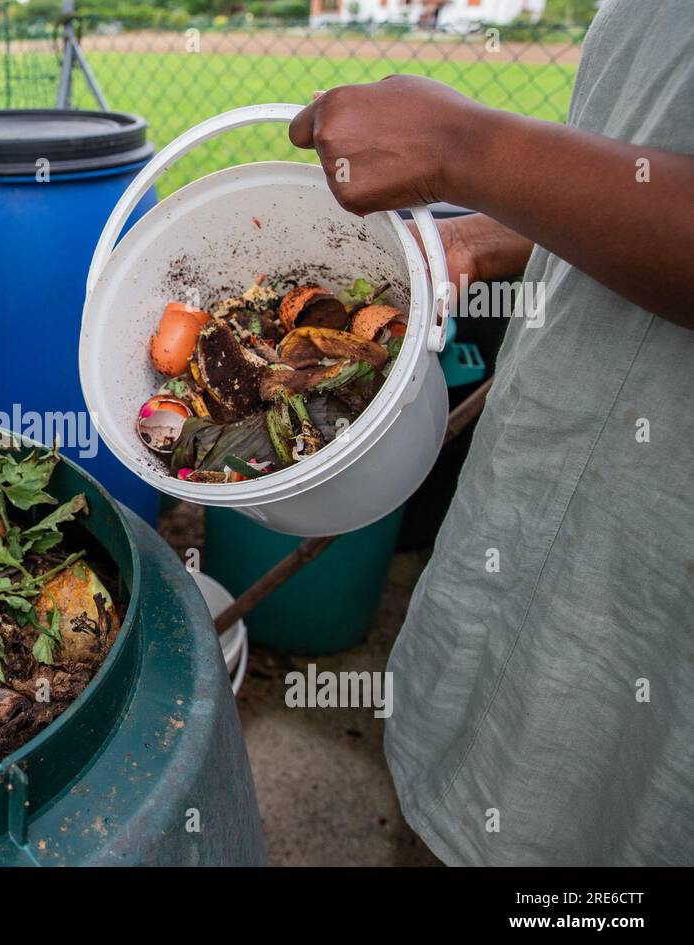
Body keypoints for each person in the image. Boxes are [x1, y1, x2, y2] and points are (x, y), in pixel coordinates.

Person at [288, 0, 693, 865]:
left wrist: (465, 148)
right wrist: (492, 232)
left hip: (662, 557)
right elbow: (651, 163)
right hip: (550, 479)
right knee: (469, 790)